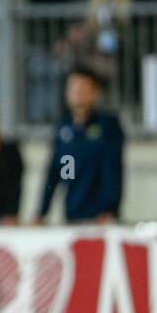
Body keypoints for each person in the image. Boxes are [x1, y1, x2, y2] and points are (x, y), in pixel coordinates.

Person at [36, 68, 124, 224]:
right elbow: (56, 172)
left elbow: (112, 172)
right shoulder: (64, 129)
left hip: (100, 217)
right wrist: (42, 212)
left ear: (95, 92)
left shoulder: (107, 127)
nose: (78, 93)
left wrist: (109, 210)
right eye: (73, 88)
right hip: (72, 214)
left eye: (83, 88)